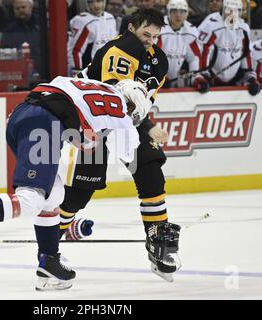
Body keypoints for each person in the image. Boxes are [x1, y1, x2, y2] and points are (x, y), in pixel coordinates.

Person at [0, 76, 152, 291]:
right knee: (30, 199)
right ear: (133, 104)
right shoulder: (120, 111)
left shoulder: (93, 85)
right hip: (44, 124)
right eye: (134, 112)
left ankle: (49, 263)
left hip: (23, 114)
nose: (131, 115)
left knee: (53, 195)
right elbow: (127, 151)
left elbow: (62, 95)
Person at [60, 8, 182, 282]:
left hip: (126, 120)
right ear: (130, 29)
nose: (150, 40)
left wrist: (146, 125)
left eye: (154, 36)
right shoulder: (118, 50)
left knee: (151, 173)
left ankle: (157, 243)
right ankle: (51, 244)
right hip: (92, 117)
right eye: (145, 34)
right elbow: (114, 97)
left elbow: (140, 102)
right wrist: (148, 126)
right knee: (81, 191)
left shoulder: (158, 61)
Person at [197, 0, 261, 95]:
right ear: (223, 9)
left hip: (234, 77)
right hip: (212, 76)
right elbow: (204, 49)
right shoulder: (212, 25)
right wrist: (203, 74)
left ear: (240, 11)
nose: (232, 14)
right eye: (229, 10)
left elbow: (245, 52)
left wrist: (249, 75)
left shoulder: (243, 28)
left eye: (235, 10)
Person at [157, 0, 204, 89]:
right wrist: (160, 76)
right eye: (174, 11)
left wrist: (196, 77)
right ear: (168, 12)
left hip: (176, 81)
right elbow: (152, 56)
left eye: (182, 11)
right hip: (156, 79)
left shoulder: (192, 31)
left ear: (187, 14)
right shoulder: (158, 28)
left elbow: (194, 58)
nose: (178, 15)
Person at [67, 0, 117, 76]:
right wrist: (77, 71)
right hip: (91, 71)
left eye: (98, 1)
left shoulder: (110, 18)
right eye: (91, 2)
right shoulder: (81, 21)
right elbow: (75, 50)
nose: (96, 5)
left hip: (110, 68)